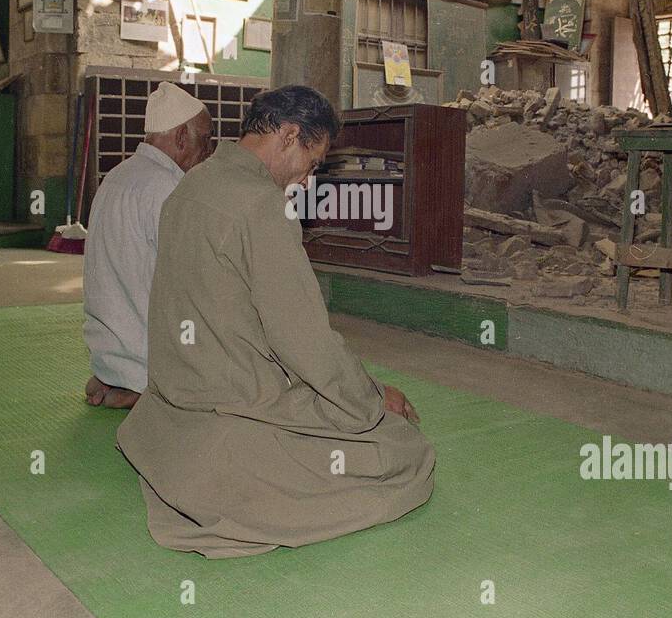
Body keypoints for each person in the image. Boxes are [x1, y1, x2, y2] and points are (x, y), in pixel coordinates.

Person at [116, 85, 435, 557]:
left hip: (169, 408)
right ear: (289, 136)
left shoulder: (191, 187)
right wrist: (370, 397)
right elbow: (305, 343)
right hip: (230, 411)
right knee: (406, 452)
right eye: (312, 164)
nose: (307, 182)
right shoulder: (262, 206)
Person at [83, 82, 213, 409]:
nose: (208, 153)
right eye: (206, 140)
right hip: (148, 360)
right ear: (182, 137)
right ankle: (144, 386)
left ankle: (114, 376)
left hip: (109, 354)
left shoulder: (115, 176)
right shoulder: (170, 188)